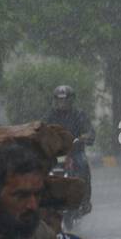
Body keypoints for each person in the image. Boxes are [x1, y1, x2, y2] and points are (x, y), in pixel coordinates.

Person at [44, 84, 95, 215]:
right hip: (57, 153)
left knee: (83, 166)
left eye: (65, 100)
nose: (62, 103)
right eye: (59, 100)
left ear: (71, 100)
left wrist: (87, 136)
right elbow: (42, 129)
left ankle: (85, 201)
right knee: (41, 170)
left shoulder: (79, 115)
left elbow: (89, 130)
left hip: (75, 153)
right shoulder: (50, 116)